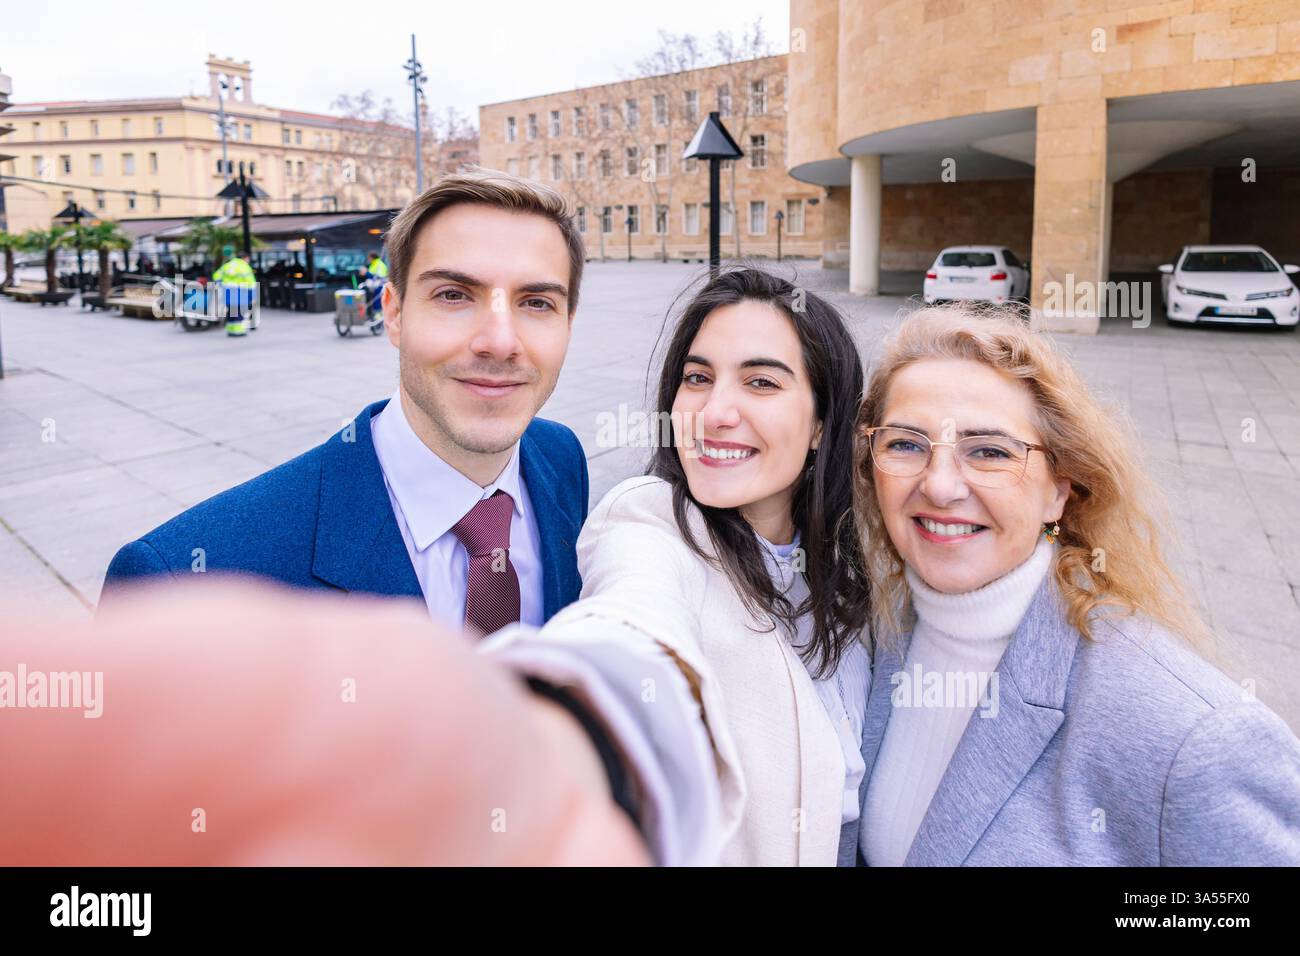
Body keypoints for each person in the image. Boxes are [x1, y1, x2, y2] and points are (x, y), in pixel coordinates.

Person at [101, 168, 720, 865]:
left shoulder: (560, 459)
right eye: (454, 295)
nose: (499, 339)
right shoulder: (185, 579)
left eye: (536, 302)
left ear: (569, 324)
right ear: (392, 312)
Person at [850, 304, 1300, 865]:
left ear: (1060, 489)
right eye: (907, 444)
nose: (939, 486)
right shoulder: (873, 638)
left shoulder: (1193, 734)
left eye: (989, 451)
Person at [487, 268, 874, 865]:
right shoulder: (651, 524)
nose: (715, 411)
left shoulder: (859, 560)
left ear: (823, 423)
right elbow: (631, 617)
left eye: (761, 383)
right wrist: (560, 728)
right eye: (698, 378)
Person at [211, 245, 257, 336]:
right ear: (245, 258)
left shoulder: (227, 265)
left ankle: (230, 330)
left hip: (228, 292)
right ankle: (238, 331)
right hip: (240, 293)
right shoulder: (244, 266)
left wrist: (222, 283)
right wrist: (253, 293)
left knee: (232, 312)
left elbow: (216, 276)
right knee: (239, 313)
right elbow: (250, 281)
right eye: (248, 258)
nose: (248, 260)